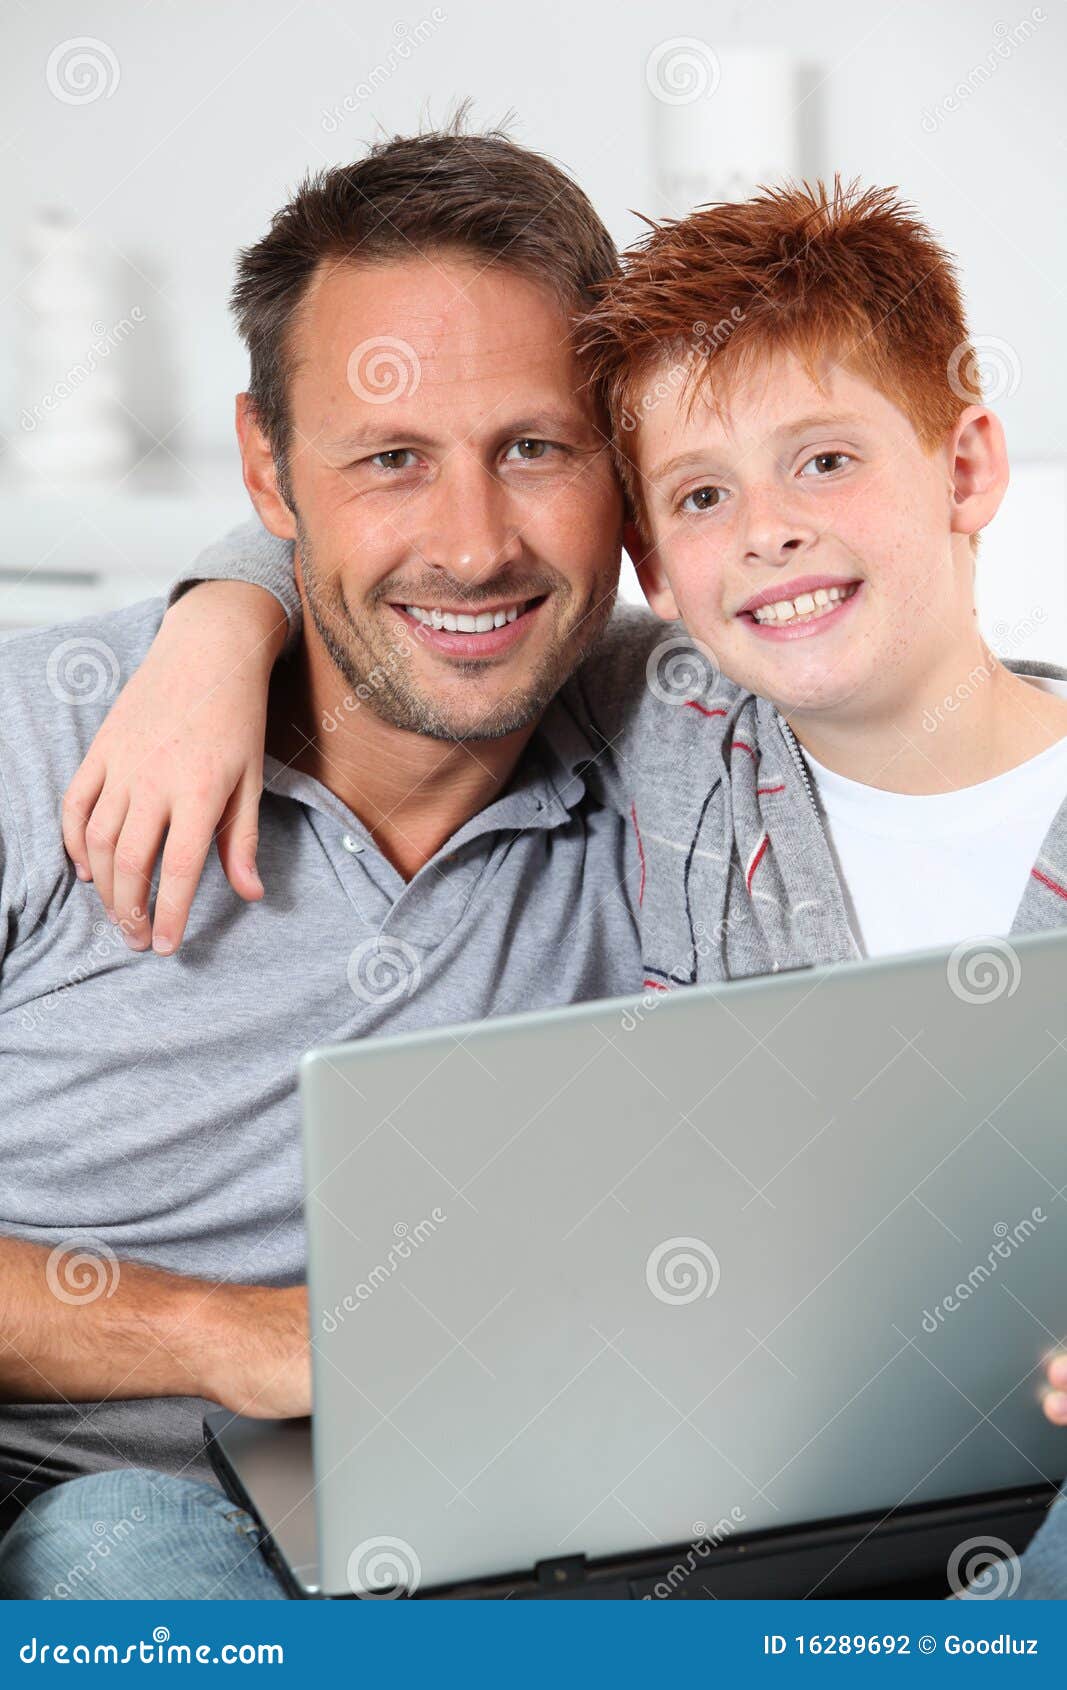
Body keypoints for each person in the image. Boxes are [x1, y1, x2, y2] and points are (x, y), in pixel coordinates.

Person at [56, 176, 1067, 1600]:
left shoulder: (656, 702)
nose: (769, 530)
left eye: (828, 462)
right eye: (706, 495)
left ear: (966, 470)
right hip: (706, 1485)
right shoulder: (683, 737)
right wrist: (222, 622)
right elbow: (383, 551)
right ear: (655, 551)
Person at [0, 123, 645, 1600]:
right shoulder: (36, 743)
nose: (474, 545)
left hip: (518, 1514)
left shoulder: (681, 753)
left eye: (536, 448)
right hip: (92, 1514)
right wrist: (234, 1334)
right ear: (267, 469)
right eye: (393, 459)